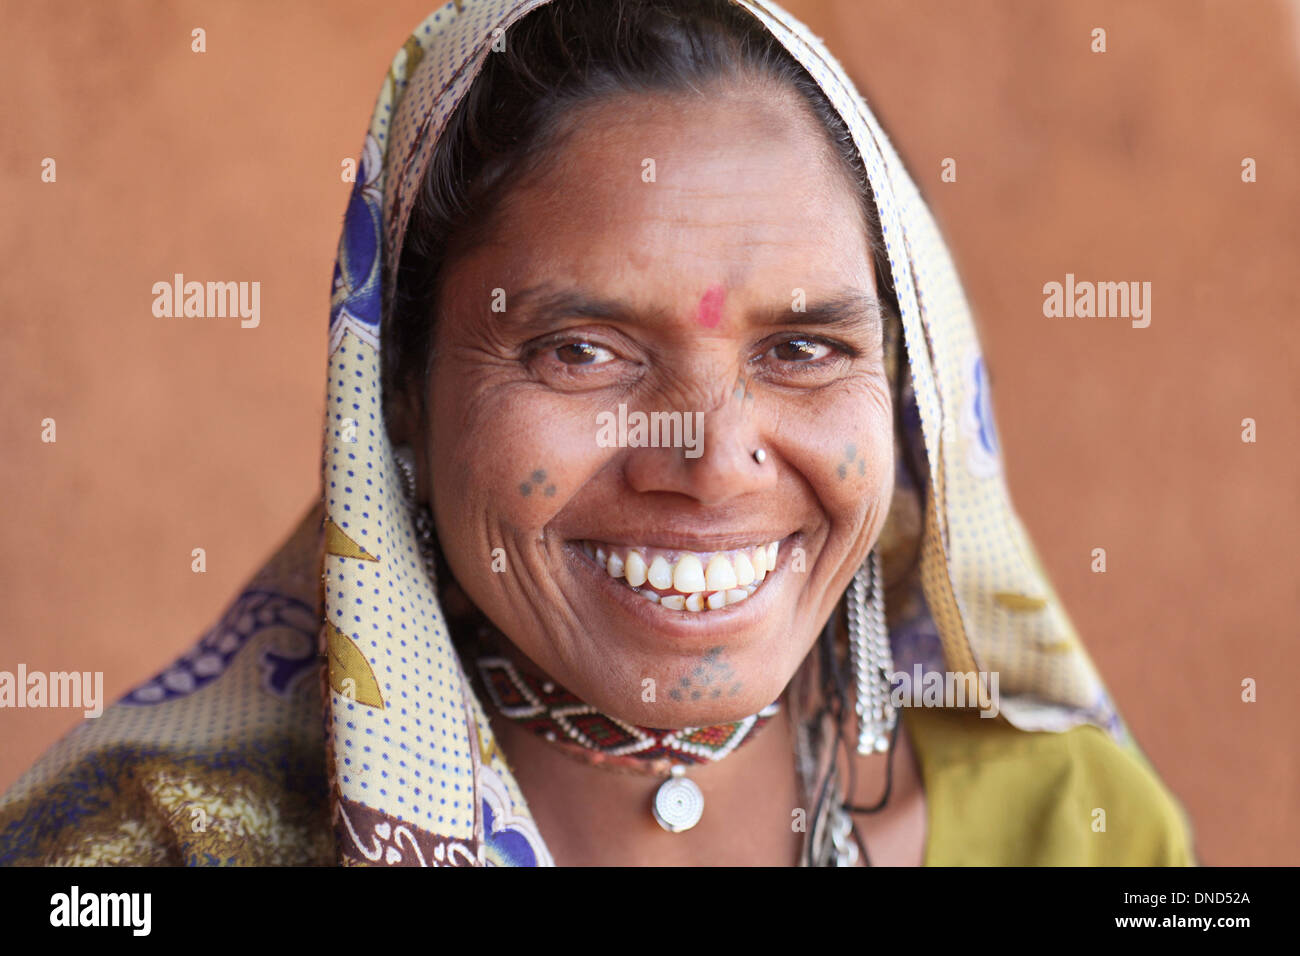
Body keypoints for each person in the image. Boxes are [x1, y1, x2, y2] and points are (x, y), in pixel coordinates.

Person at [0, 0, 1195, 866]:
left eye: (803, 348)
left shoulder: (1080, 831)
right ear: (398, 392)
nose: (713, 455)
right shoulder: (132, 867)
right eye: (582, 349)